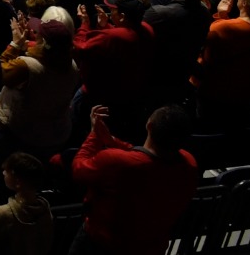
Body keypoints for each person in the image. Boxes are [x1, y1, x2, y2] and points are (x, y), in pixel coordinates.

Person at [70, 105, 197, 255]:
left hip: (101, 245)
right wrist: (111, 140)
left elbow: (79, 168)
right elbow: (146, 157)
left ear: (149, 125)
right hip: (152, 248)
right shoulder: (189, 163)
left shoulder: (116, 161)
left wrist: (94, 135)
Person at [0, 151, 54, 255]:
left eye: (7, 171)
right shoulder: (45, 210)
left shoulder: (2, 213)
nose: (3, 172)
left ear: (18, 182)